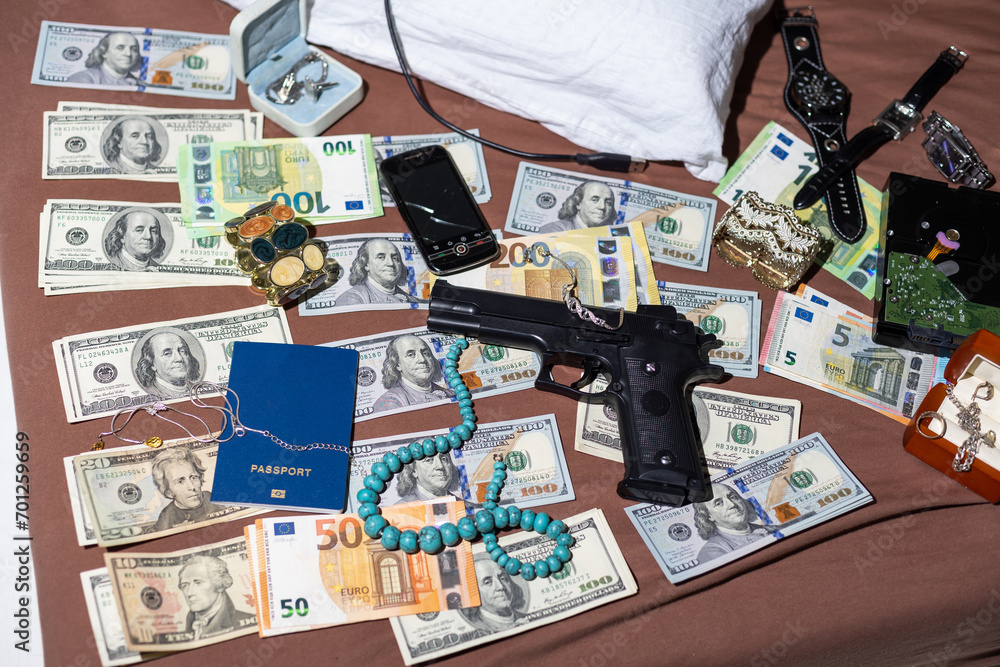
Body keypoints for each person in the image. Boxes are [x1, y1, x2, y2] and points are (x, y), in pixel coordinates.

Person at [177, 555, 255, 640]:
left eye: (198, 583)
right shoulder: (188, 624)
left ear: (220, 585)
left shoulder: (246, 620)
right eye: (184, 586)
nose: (189, 593)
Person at [694, 482, 774, 562]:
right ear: (709, 516)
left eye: (732, 497)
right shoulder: (712, 551)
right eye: (718, 503)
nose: (732, 504)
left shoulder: (770, 529)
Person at [151, 446, 224, 531]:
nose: (192, 487)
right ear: (169, 492)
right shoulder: (166, 517)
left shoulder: (213, 500)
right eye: (180, 481)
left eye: (194, 477)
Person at [373, 335, 452, 411]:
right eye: (411, 355)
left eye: (425, 353)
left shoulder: (450, 394)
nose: (422, 359)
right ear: (397, 364)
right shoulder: (388, 403)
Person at [334, 238, 418, 306]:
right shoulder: (350, 299)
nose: (391, 263)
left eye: (395, 258)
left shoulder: (412, 300)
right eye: (381, 257)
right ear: (366, 264)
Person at [458, 554, 528, 632]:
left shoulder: (526, 617)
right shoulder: (477, 626)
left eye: (503, 578)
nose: (501, 587)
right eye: (488, 582)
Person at [134, 329, 203, 399]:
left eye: (182, 351)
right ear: (152, 364)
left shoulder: (200, 389)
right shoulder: (151, 393)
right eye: (167, 354)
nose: (179, 358)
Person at [538, 181, 617, 233]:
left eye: (608, 202)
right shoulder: (554, 230)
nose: (602, 207)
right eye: (594, 200)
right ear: (578, 203)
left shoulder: (609, 234)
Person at [67, 32, 141, 86]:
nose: (128, 54)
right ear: (104, 52)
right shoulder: (82, 79)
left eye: (134, 49)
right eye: (120, 48)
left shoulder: (141, 85)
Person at [395, 451, 461, 502]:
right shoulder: (398, 512)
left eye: (444, 459)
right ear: (414, 471)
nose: (440, 466)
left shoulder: (468, 507)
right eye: (428, 460)